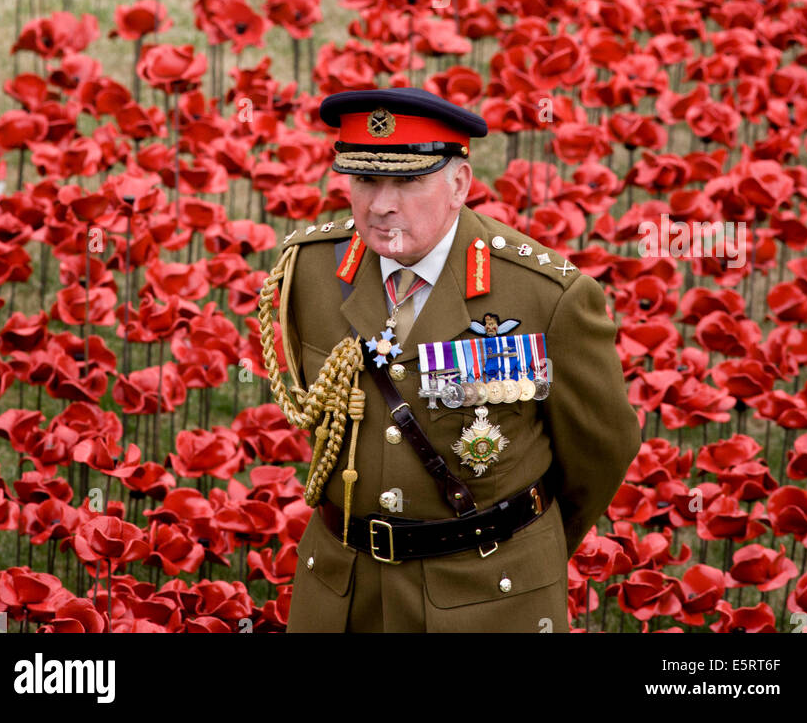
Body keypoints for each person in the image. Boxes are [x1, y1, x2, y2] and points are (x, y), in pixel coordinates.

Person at [263, 87, 641, 633]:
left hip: (488, 595)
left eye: (409, 181)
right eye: (365, 179)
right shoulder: (312, 272)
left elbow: (602, 452)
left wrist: (524, 544)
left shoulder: (544, 297)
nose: (380, 205)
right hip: (345, 593)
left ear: (459, 184)